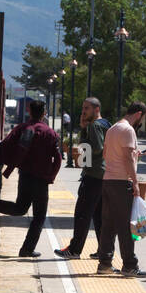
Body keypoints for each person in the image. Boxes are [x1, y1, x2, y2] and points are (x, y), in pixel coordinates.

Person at [0, 99, 62, 257]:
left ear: (29, 111)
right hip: (41, 180)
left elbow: (6, 144)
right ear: (44, 113)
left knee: (20, 208)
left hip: (24, 176)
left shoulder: (22, 128)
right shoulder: (50, 133)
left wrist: (4, 164)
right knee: (39, 217)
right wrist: (51, 176)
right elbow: (58, 159)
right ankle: (27, 249)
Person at [97, 101, 146, 277]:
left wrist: (134, 154)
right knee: (126, 227)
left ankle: (104, 263)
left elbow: (107, 154)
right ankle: (129, 265)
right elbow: (127, 158)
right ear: (139, 114)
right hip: (122, 183)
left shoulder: (113, 128)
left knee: (108, 225)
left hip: (108, 181)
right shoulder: (128, 130)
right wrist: (135, 182)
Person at [55, 97, 108, 259]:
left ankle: (74, 250)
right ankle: (104, 251)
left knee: (82, 214)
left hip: (92, 175)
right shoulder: (106, 123)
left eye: (87, 108)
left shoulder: (94, 126)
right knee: (98, 217)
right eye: (83, 108)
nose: (83, 111)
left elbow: (97, 148)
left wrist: (84, 132)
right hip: (103, 175)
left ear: (96, 109)